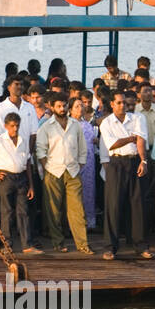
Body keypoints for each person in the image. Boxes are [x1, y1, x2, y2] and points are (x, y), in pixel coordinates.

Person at [35, 94, 92, 254]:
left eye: (65, 105)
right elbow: (40, 150)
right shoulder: (46, 126)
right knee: (54, 210)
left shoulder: (75, 125)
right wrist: (46, 166)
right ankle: (58, 243)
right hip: (53, 171)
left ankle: (82, 244)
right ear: (52, 107)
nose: (62, 109)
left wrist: (80, 164)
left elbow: (83, 148)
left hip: (73, 171)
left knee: (77, 210)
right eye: (59, 106)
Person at [99, 90, 152, 260]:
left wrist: (143, 161)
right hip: (116, 163)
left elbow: (141, 140)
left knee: (138, 204)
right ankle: (110, 247)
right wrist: (131, 138)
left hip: (135, 160)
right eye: (119, 103)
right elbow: (112, 145)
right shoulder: (106, 123)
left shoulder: (138, 118)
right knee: (113, 205)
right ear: (112, 104)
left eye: (125, 103)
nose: (123, 106)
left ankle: (140, 245)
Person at [0, 112, 40, 254]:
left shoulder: (23, 140)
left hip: (22, 177)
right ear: (6, 126)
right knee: (6, 211)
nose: (15, 129)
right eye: (12, 126)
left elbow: (28, 163)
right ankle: (7, 244)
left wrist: (31, 185)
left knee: (23, 211)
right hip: (5, 177)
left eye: (17, 126)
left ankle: (27, 245)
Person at [69, 95, 98, 230]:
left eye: (82, 105)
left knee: (88, 192)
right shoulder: (68, 124)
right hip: (74, 163)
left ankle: (89, 222)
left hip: (89, 164)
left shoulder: (87, 124)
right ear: (70, 110)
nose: (81, 108)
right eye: (77, 106)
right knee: (74, 194)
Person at [0, 78, 38, 148]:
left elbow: (33, 134)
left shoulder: (30, 107)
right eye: (16, 84)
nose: (19, 87)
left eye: (21, 85)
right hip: (7, 152)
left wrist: (28, 154)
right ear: (9, 87)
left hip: (26, 151)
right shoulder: (0, 107)